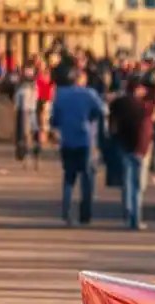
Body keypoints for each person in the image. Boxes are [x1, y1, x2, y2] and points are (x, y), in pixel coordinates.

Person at [50, 68, 107, 226]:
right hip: (85, 139)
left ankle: (66, 211)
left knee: (69, 177)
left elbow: (54, 119)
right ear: (82, 80)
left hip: (67, 139)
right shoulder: (89, 94)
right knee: (87, 178)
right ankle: (85, 214)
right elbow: (101, 110)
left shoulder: (60, 94)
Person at [109, 78, 155, 230]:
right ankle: (136, 217)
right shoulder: (144, 107)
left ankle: (128, 214)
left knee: (127, 182)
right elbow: (148, 127)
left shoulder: (118, 103)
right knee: (138, 185)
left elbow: (112, 123)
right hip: (140, 147)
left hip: (123, 145)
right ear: (137, 89)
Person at [13, 67, 41, 169]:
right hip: (31, 111)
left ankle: (26, 157)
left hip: (25, 112)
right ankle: (32, 156)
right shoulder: (34, 88)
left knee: (24, 136)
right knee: (33, 134)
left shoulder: (21, 89)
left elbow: (16, 105)